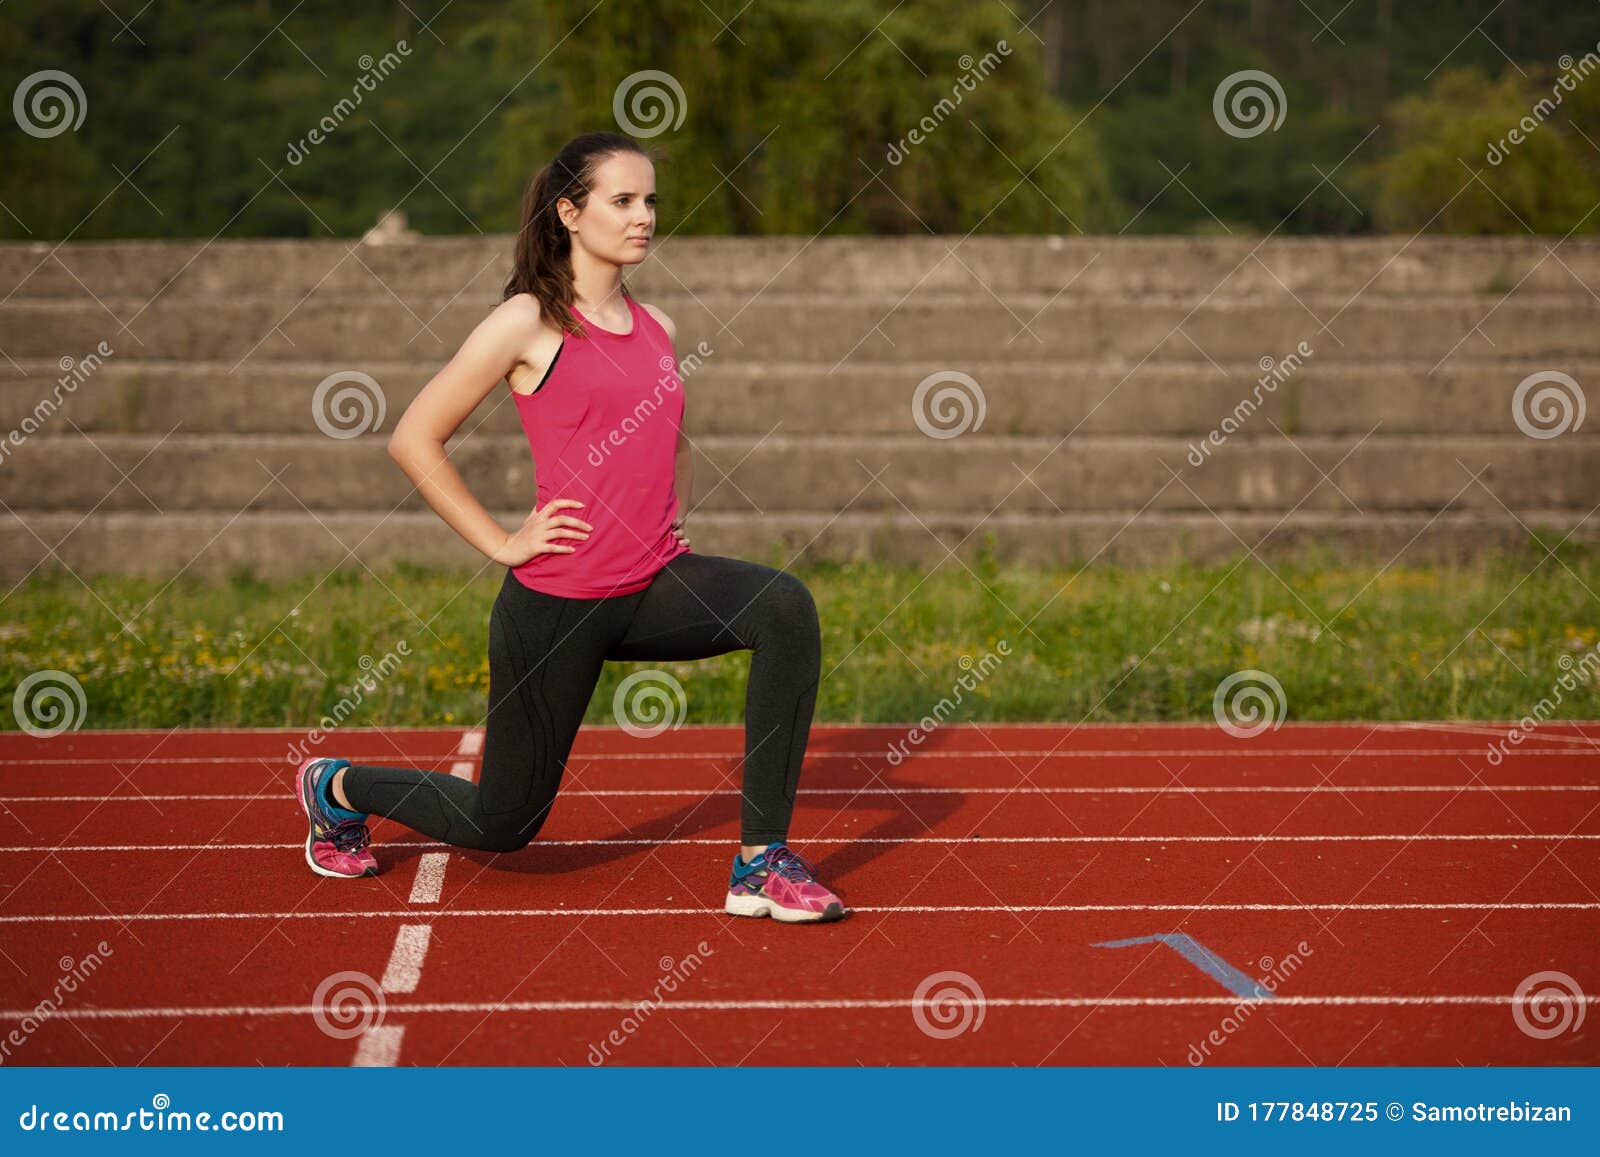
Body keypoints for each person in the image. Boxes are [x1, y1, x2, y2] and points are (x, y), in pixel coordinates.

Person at [292, 131, 843, 923]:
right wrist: (501, 542)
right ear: (570, 212)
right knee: (503, 823)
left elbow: (673, 435)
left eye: (650, 200)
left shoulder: (659, 325)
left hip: (650, 583)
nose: (644, 216)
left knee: (784, 607)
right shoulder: (527, 320)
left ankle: (761, 862)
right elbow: (413, 435)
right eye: (623, 201)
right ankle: (337, 785)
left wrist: (670, 521)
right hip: (557, 601)